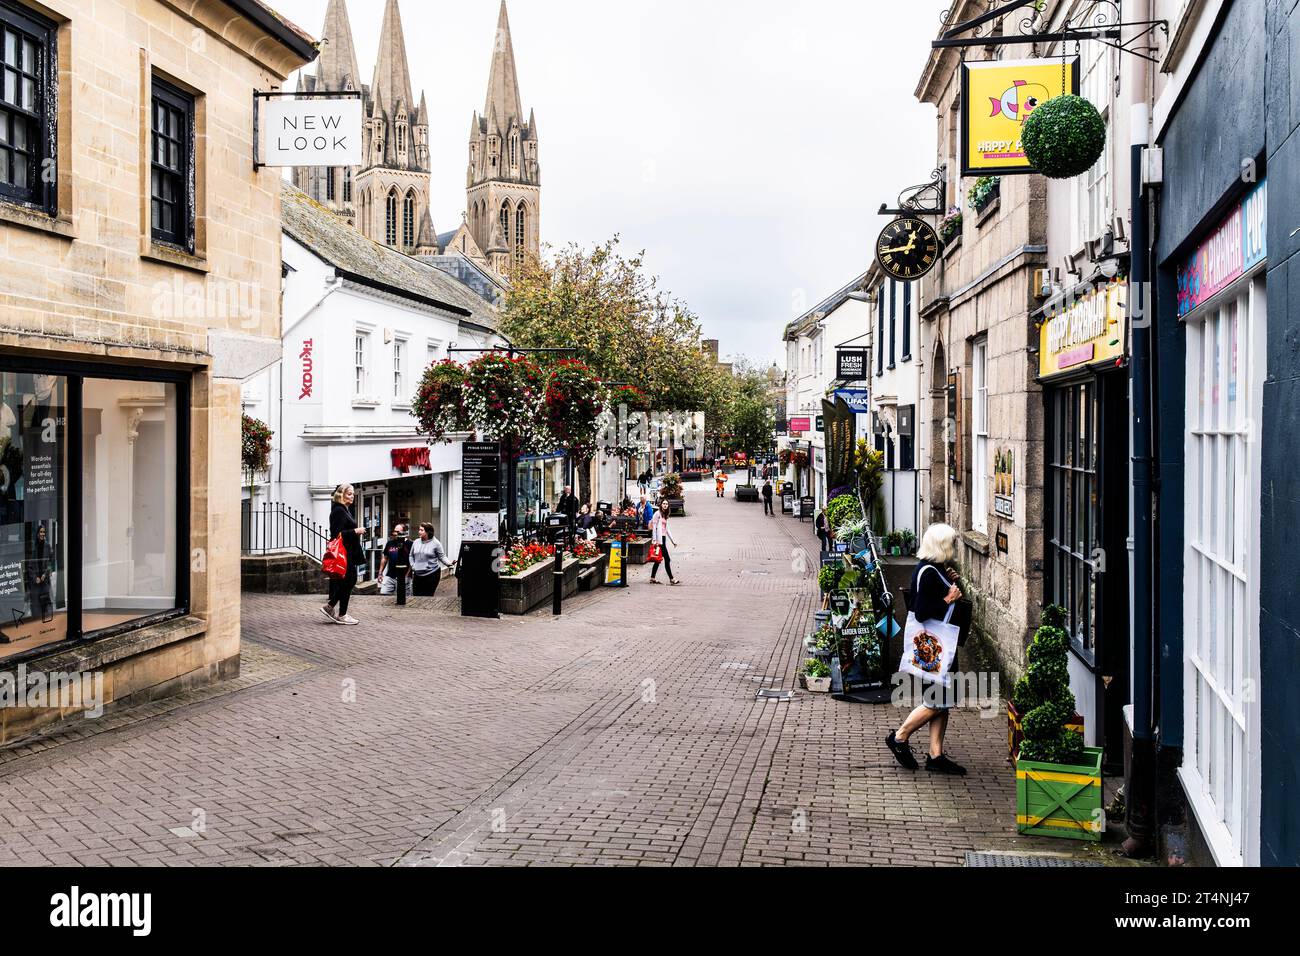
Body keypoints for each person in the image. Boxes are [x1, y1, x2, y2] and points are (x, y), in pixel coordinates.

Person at [886, 523, 967, 776]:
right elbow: (921, 612)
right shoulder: (927, 571)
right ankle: (900, 737)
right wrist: (948, 599)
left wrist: (952, 583)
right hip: (935, 648)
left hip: (943, 648)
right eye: (951, 543)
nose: (954, 547)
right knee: (935, 701)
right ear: (941, 546)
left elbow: (943, 596)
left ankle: (936, 754)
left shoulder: (938, 569)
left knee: (943, 702)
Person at [324, 484, 366, 625]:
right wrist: (356, 531)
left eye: (353, 494)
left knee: (349, 581)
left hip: (348, 552)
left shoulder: (344, 509)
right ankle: (341, 614)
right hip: (343, 553)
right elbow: (337, 534)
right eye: (349, 494)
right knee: (349, 580)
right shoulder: (338, 511)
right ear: (341, 494)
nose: (352, 496)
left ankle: (330, 607)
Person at [409, 523, 455, 597]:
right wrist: (413, 566)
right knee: (416, 597)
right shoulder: (416, 542)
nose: (419, 532)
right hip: (417, 574)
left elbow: (442, 556)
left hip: (431, 574)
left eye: (421, 530)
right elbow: (411, 556)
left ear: (427, 532)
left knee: (427, 597)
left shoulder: (436, 543)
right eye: (419, 530)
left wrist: (449, 564)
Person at [649, 502, 680, 586]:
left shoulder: (665, 515)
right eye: (664, 504)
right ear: (661, 505)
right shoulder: (657, 514)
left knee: (658, 560)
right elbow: (654, 528)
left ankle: (652, 577)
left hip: (663, 538)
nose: (665, 505)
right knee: (667, 559)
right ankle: (672, 578)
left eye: (666, 504)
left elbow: (667, 529)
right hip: (659, 540)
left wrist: (673, 541)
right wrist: (655, 541)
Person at [378, 524, 412, 598]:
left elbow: (412, 562)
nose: (395, 533)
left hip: (403, 577)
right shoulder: (390, 543)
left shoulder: (409, 544)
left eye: (397, 531)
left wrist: (406, 576)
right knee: (383, 595)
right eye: (394, 531)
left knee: (403, 598)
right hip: (390, 576)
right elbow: (385, 558)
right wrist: (380, 573)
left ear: (404, 533)